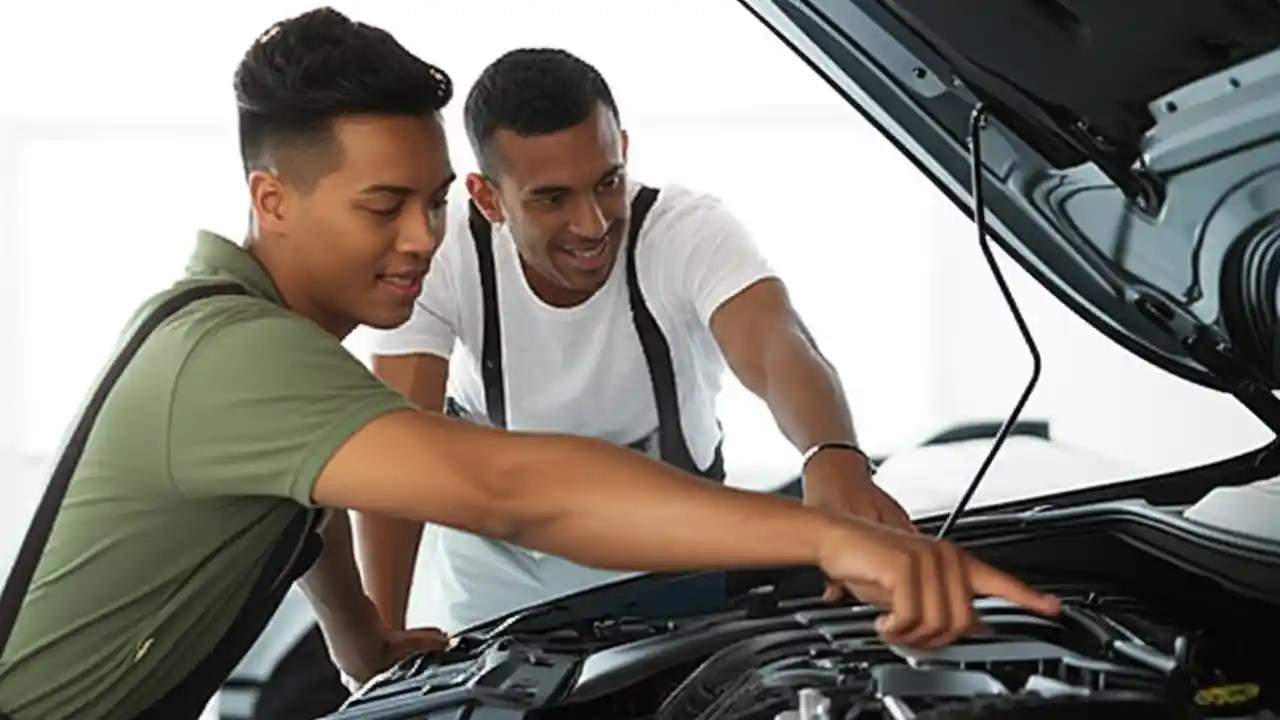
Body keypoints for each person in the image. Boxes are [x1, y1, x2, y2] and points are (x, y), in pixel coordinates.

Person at [0, 8, 1059, 720]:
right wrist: (830, 536)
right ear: (273, 200)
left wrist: (359, 632)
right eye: (382, 207)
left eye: (422, 203)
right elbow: (503, 487)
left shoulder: (255, 340)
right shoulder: (228, 355)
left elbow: (305, 488)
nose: (417, 240)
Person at [356, 48, 916, 633]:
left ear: (623, 149)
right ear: (488, 197)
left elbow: (778, 346)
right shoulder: (443, 259)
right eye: (552, 199)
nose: (592, 224)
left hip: (675, 560)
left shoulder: (683, 231)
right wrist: (377, 639)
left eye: (606, 182)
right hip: (500, 583)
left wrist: (831, 455)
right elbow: (393, 451)